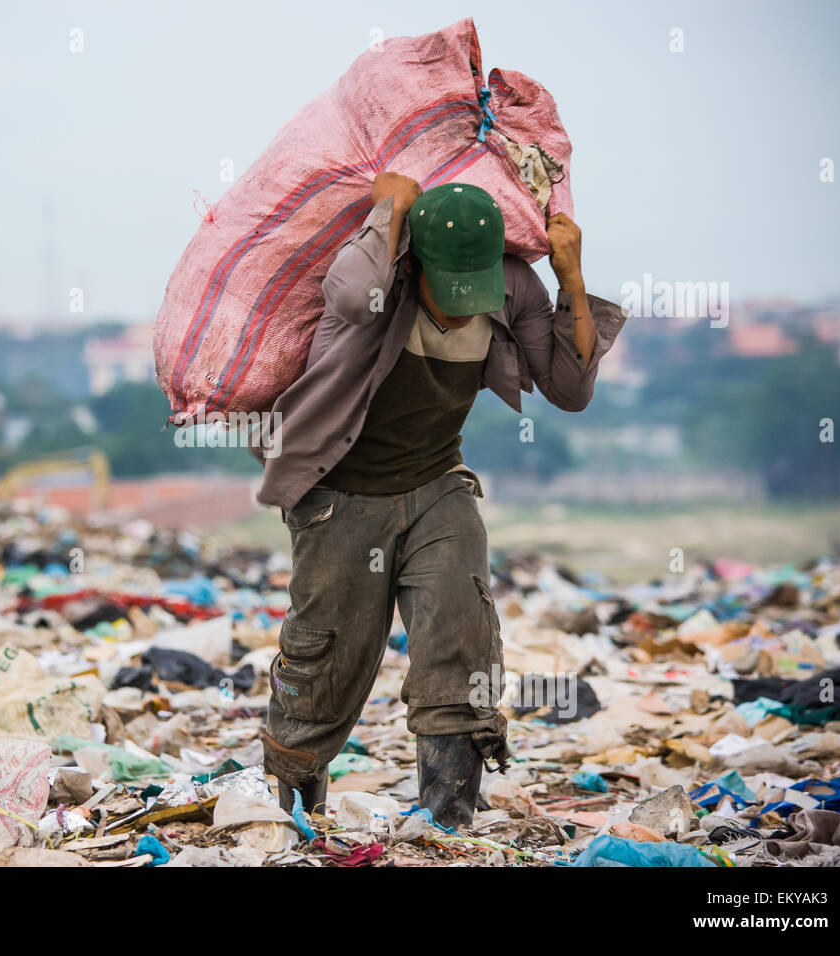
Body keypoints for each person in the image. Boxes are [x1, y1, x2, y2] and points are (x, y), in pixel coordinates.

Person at [251, 172, 628, 825]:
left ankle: (448, 823)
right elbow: (350, 294)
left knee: (461, 637)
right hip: (341, 496)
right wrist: (390, 211)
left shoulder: (511, 286)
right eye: (448, 293)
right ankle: (290, 812)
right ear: (413, 260)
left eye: (472, 295)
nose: (461, 310)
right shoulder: (379, 280)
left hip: (436, 485)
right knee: (327, 662)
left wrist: (571, 275)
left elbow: (571, 387)